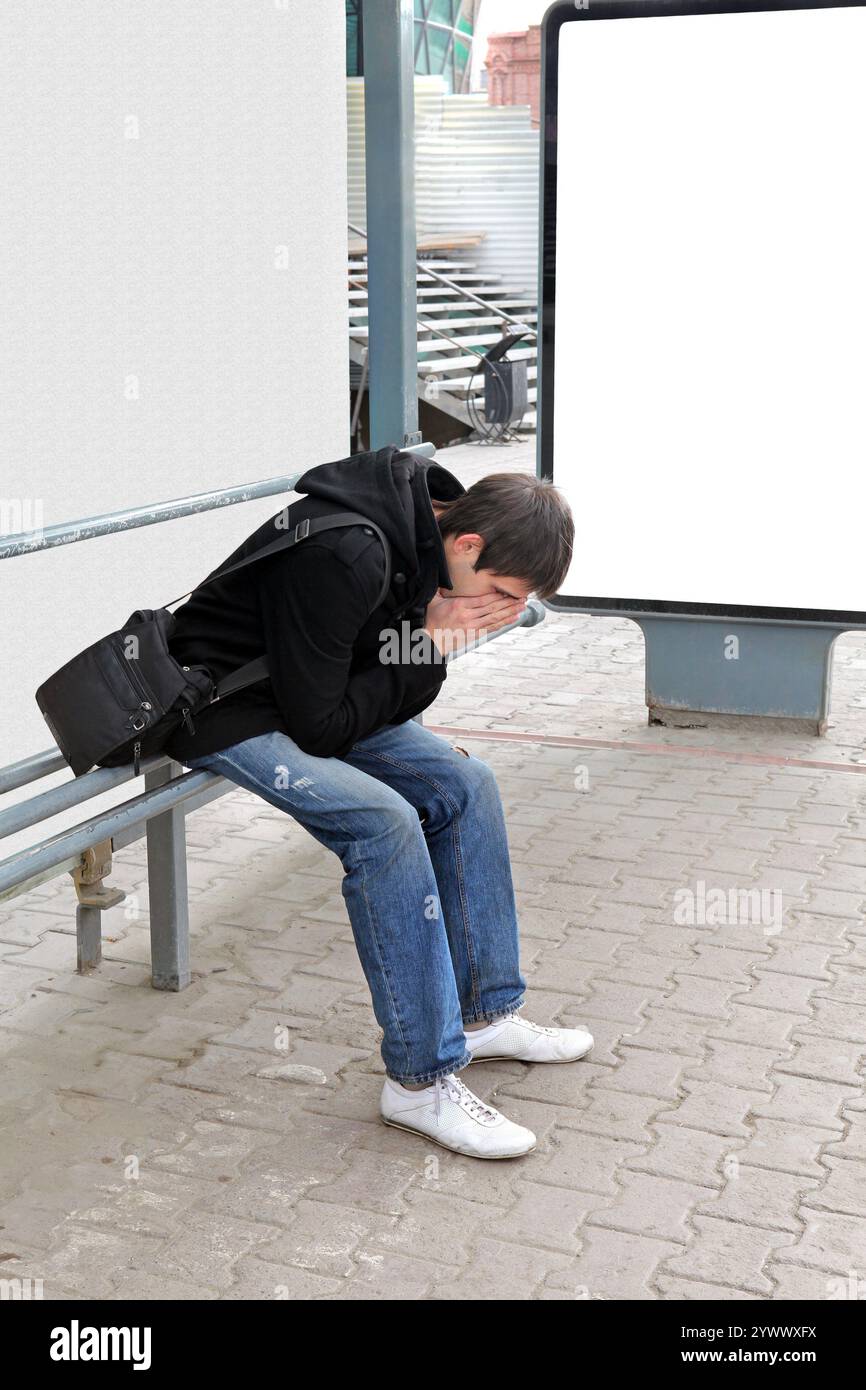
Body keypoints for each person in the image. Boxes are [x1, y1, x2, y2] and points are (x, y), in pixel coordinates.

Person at [165, 444, 593, 1159]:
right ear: (466, 542)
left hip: (310, 696)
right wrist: (430, 642)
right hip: (222, 706)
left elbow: (372, 690)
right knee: (384, 825)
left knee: (466, 783)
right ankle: (419, 1083)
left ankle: (485, 1012)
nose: (506, 613)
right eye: (507, 593)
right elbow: (322, 726)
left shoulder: (427, 540)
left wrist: (427, 638)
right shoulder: (349, 554)